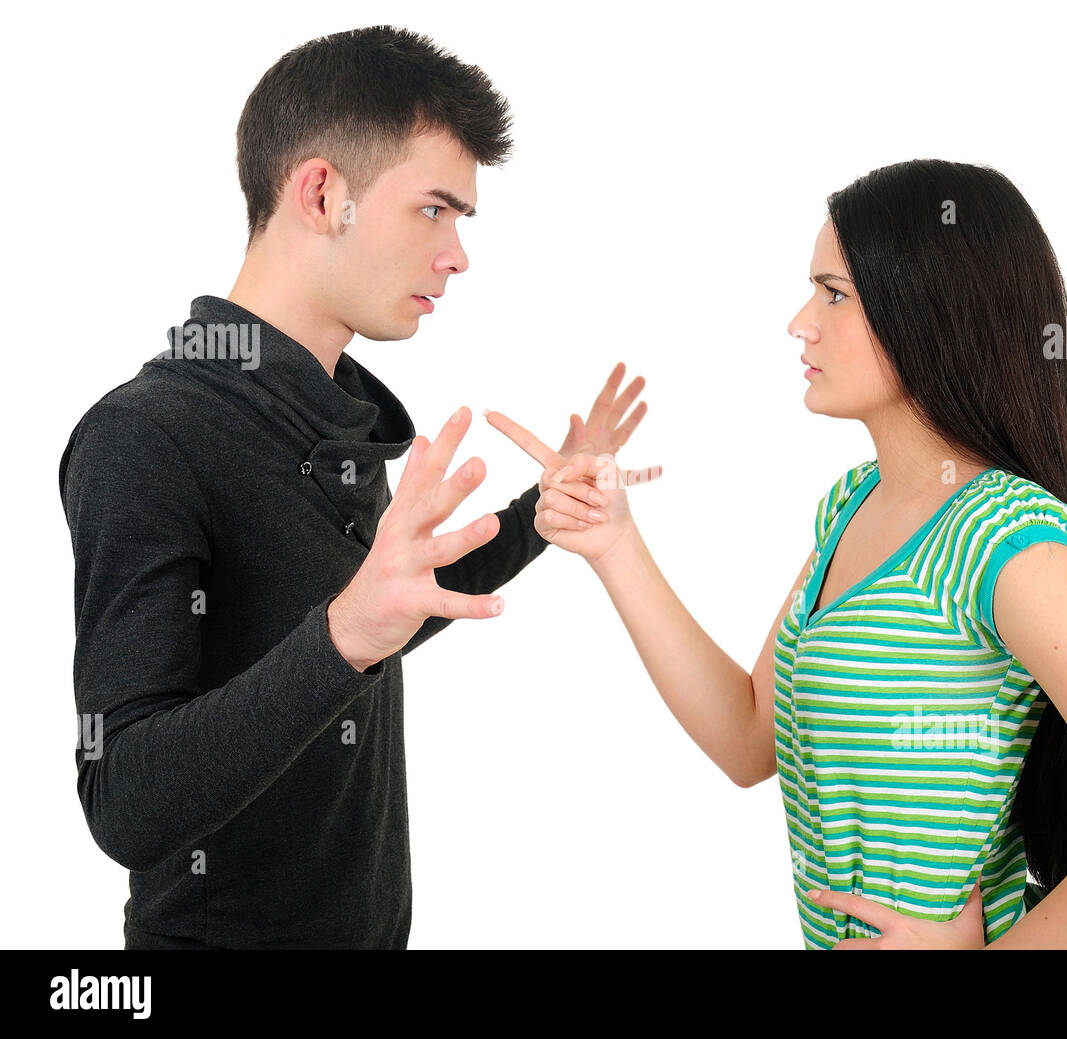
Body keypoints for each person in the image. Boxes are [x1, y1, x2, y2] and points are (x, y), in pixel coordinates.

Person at [487, 159, 1067, 949]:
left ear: (932, 314)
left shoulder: (1000, 537)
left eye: (833, 294)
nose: (799, 321)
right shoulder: (854, 503)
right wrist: (616, 544)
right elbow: (750, 737)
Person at [58, 24, 647, 950]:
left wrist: (544, 509)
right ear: (324, 193)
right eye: (434, 211)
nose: (458, 255)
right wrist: (345, 634)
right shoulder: (144, 436)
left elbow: (384, 609)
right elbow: (123, 799)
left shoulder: (335, 421)